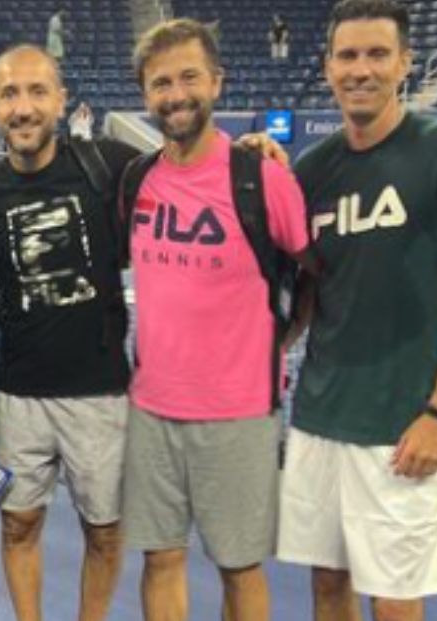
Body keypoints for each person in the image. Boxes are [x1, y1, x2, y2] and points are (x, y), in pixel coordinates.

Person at [276, 2, 437, 621]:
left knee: (394, 594)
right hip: (321, 416)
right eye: (348, 56)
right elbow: (311, 289)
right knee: (328, 582)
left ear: (405, 63)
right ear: (328, 67)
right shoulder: (313, 170)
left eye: (377, 54)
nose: (361, 69)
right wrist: (269, 352)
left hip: (406, 423)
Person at [121, 19, 312, 621]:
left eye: (188, 78)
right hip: (151, 409)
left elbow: (313, 270)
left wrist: (285, 336)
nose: (175, 95)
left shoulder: (263, 178)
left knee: (240, 568)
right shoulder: (137, 179)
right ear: (145, 93)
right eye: (161, 83)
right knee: (160, 560)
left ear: (217, 83)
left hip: (239, 412)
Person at [0, 44, 136, 621]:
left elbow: (191, 172)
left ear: (62, 101)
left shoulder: (108, 163)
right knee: (18, 526)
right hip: (20, 398)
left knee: (104, 533)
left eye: (37, 91)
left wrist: (248, 151)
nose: (23, 107)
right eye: (9, 94)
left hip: (101, 396)